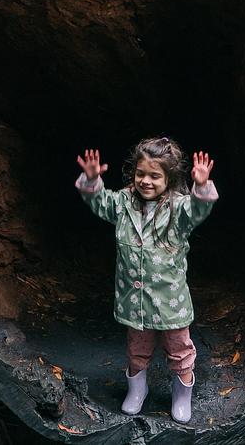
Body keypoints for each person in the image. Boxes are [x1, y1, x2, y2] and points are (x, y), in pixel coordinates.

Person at [74, 137, 218, 423]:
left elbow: (199, 209)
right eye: (140, 174)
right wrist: (92, 181)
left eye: (154, 176)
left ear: (169, 178)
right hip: (135, 300)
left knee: (180, 350)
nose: (146, 181)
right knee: (137, 348)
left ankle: (181, 395)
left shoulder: (179, 208)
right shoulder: (123, 203)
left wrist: (201, 186)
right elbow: (100, 203)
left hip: (170, 301)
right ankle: (137, 390)